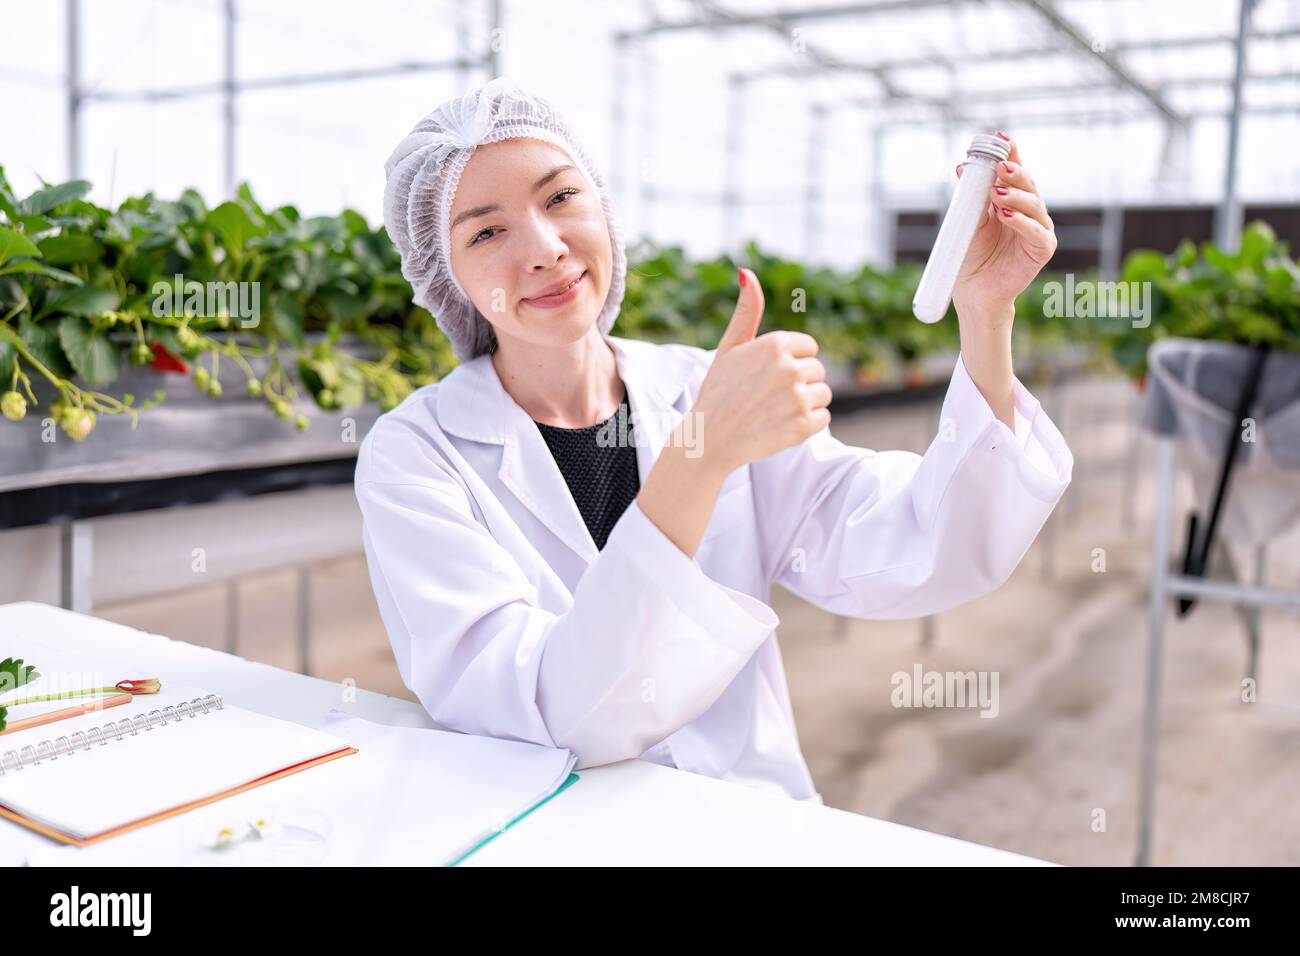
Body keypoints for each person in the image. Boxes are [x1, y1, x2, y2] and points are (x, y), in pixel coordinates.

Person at [356, 77, 1073, 802]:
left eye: (561, 197)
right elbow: (556, 711)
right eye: (485, 230)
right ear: (446, 274)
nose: (544, 247)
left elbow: (923, 547)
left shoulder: (707, 387)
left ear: (602, 205)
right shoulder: (416, 456)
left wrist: (985, 316)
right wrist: (702, 453)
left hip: (748, 827)